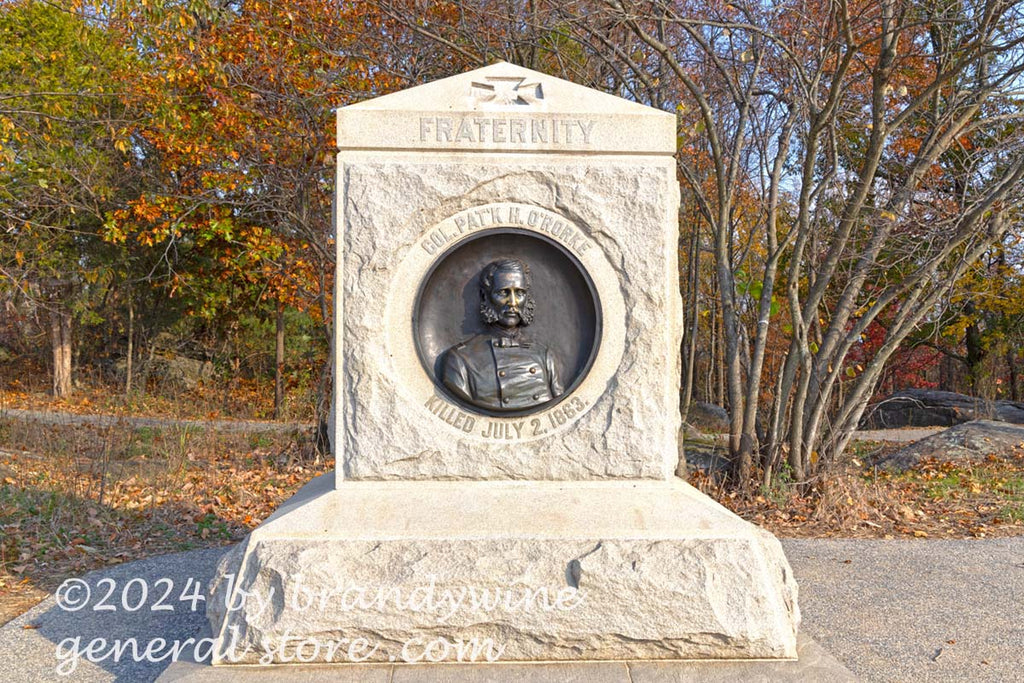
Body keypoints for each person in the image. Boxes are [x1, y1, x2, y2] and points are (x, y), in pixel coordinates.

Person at [441, 258, 563, 411]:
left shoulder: (544, 356)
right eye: (503, 292)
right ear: (486, 296)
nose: (512, 302)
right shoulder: (461, 359)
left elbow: (560, 405)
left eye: (519, 293)